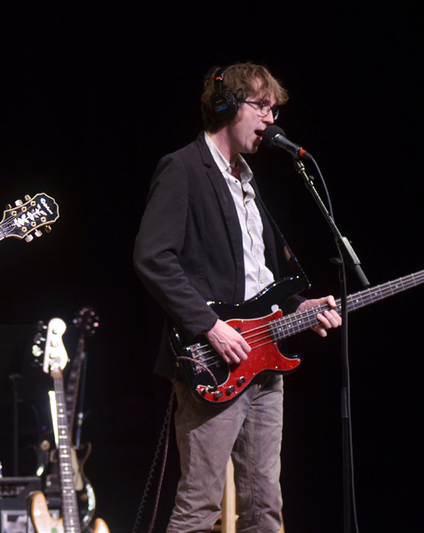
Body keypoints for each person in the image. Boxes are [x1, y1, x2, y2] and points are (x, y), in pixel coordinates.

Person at [133, 62, 342, 533]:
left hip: (265, 359)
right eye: (261, 106)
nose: (271, 119)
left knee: (265, 506)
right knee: (200, 506)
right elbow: (152, 257)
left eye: (274, 108)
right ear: (227, 106)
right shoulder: (183, 168)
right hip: (213, 358)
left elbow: (258, 278)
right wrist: (209, 325)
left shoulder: (248, 181)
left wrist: (297, 307)